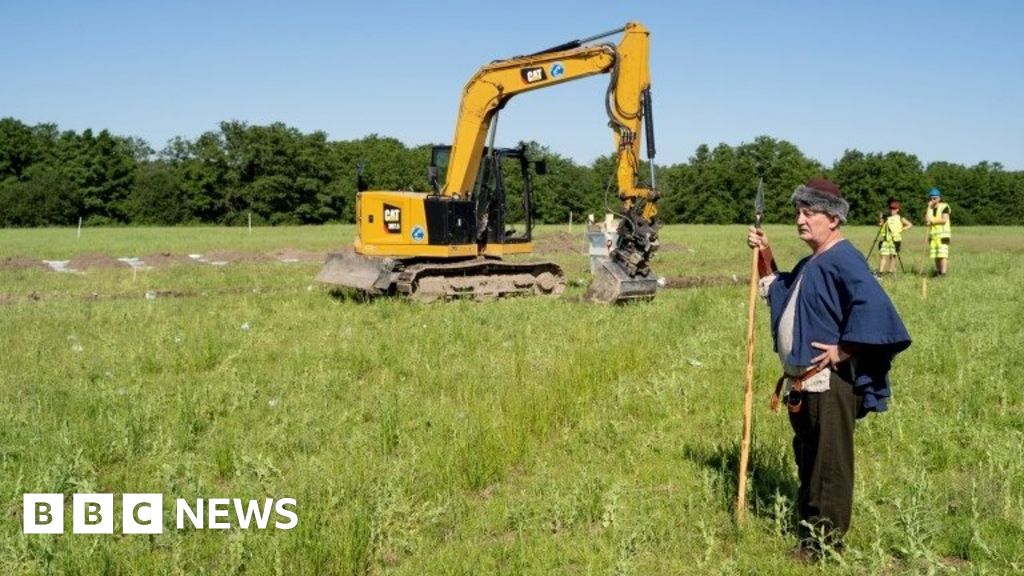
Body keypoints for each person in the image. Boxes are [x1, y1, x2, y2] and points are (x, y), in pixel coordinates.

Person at [747, 178, 911, 559]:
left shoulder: (844, 258)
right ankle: (810, 529)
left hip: (831, 383)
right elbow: (781, 290)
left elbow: (875, 308)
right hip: (804, 385)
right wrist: (763, 252)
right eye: (797, 212)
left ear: (833, 219)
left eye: (809, 212)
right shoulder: (814, 260)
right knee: (810, 457)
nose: (800, 220)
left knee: (830, 464)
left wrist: (845, 348)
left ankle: (823, 545)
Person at [877, 198, 913, 275]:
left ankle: (890, 271)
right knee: (883, 256)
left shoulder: (900, 218)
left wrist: (902, 229)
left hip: (895, 240)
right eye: (890, 208)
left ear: (897, 209)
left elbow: (910, 225)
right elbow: (880, 225)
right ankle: (880, 272)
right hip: (886, 240)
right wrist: (881, 218)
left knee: (892, 256)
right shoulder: (886, 218)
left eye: (894, 209)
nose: (892, 210)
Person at [925, 187, 951, 276]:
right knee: (935, 255)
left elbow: (944, 220)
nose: (932, 199)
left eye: (934, 198)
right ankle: (938, 272)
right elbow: (927, 220)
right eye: (931, 198)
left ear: (939, 198)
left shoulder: (945, 206)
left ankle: (943, 274)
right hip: (933, 236)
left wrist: (932, 221)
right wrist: (928, 207)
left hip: (943, 235)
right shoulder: (930, 208)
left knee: (943, 255)